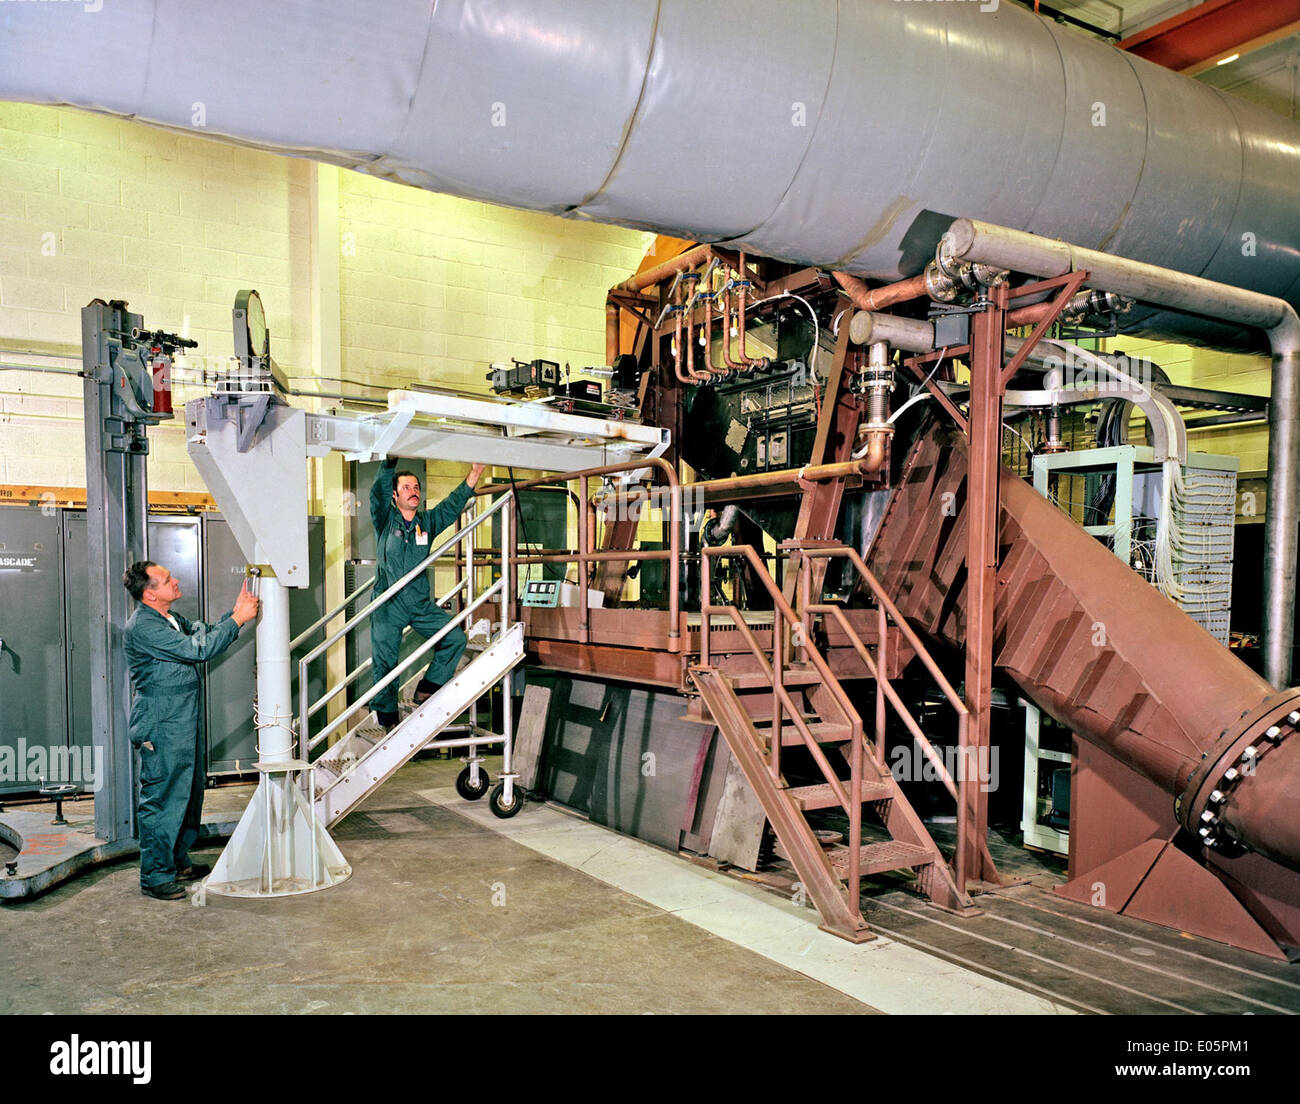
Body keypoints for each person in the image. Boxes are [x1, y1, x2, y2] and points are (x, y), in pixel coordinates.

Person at [122, 562, 260, 900]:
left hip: (182, 720)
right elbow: (196, 649)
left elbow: (204, 631)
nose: (175, 581)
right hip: (161, 721)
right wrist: (238, 620)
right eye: (167, 580)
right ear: (149, 593)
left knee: (188, 793)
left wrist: (234, 613)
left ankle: (177, 861)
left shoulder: (169, 618)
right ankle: (155, 876)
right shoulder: (143, 627)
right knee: (163, 797)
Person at [370, 457, 486, 731]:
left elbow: (452, 506)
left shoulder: (427, 522)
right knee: (385, 660)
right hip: (389, 603)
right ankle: (386, 715)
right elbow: (377, 494)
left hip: (421, 604)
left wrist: (475, 473)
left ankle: (427, 687)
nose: (414, 490)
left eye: (416, 486)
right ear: (396, 494)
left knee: (455, 638)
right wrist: (389, 463)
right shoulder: (385, 519)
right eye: (407, 486)